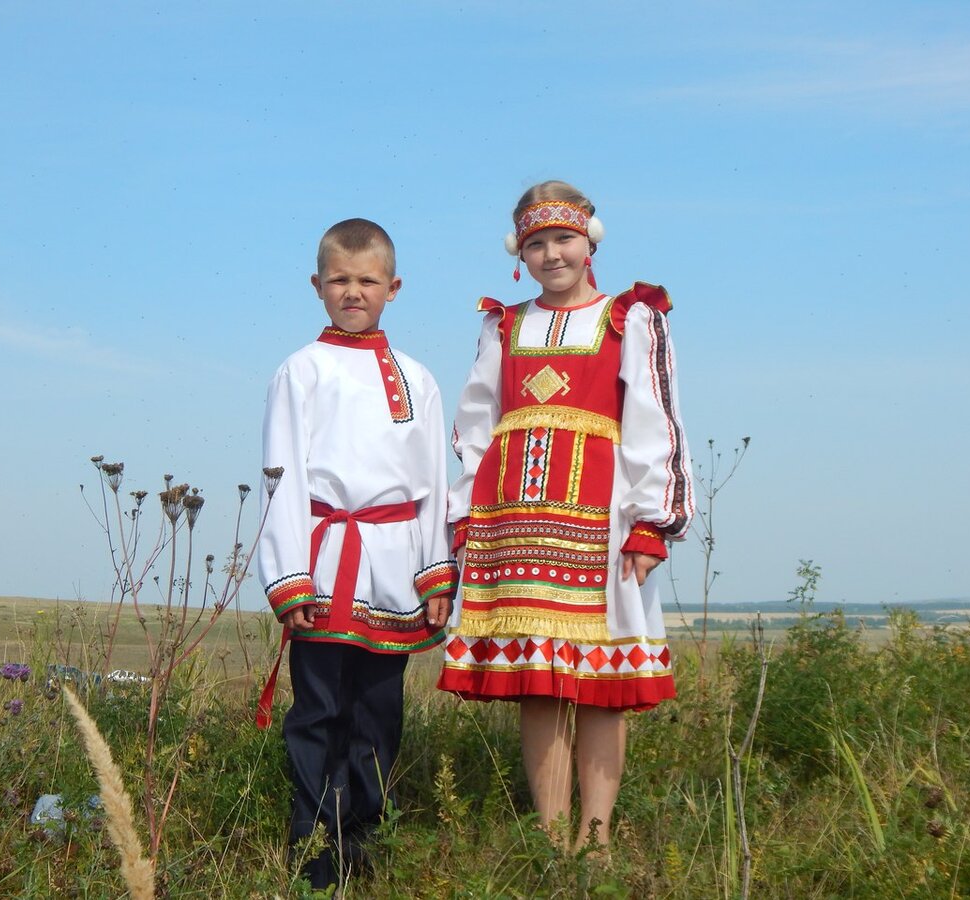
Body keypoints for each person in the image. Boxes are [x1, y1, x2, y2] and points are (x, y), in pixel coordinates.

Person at [437, 181, 695, 852]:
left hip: (603, 519)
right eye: (537, 242)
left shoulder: (629, 317)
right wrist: (464, 513)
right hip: (514, 518)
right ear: (520, 252)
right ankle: (553, 838)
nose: (552, 253)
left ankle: (598, 833)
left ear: (590, 240)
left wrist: (650, 522)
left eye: (563, 239)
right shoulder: (505, 324)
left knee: (602, 682)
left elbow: (654, 422)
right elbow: (474, 423)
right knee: (539, 682)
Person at [256, 218, 457, 891]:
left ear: (392, 288)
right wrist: (290, 578)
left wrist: (437, 572)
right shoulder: (300, 371)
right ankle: (313, 852)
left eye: (366, 280)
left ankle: (366, 845)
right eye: (339, 280)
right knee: (318, 712)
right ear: (316, 285)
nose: (352, 292)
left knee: (377, 714)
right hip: (324, 562)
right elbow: (282, 477)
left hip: (395, 570)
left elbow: (433, 480)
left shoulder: (418, 378)